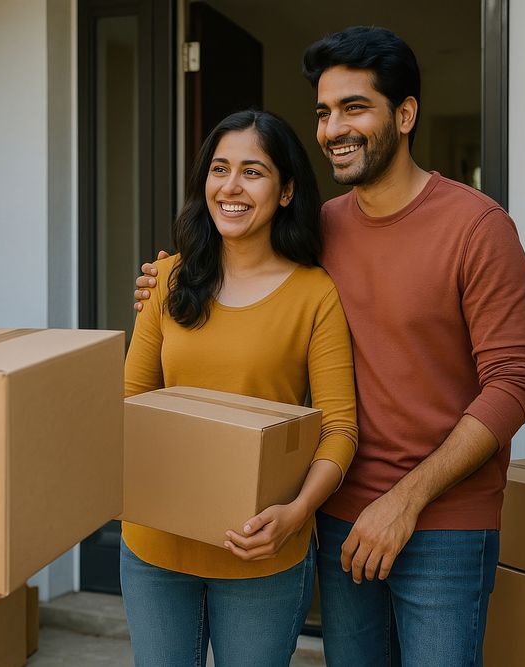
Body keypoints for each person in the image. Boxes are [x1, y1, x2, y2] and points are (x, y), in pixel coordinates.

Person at [136, 27, 525, 666]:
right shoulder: (318, 231)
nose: (332, 129)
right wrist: (165, 289)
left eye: (355, 107)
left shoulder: (477, 227)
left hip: (442, 520)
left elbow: (515, 381)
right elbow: (240, 282)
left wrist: (406, 499)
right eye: (324, 112)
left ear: (404, 114)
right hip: (340, 513)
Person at [122, 109, 357, 667]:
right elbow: (130, 405)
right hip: (156, 545)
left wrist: (296, 513)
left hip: (262, 551)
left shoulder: (315, 294)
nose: (231, 187)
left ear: (285, 190)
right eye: (219, 169)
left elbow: (340, 428)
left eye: (252, 172)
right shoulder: (168, 282)